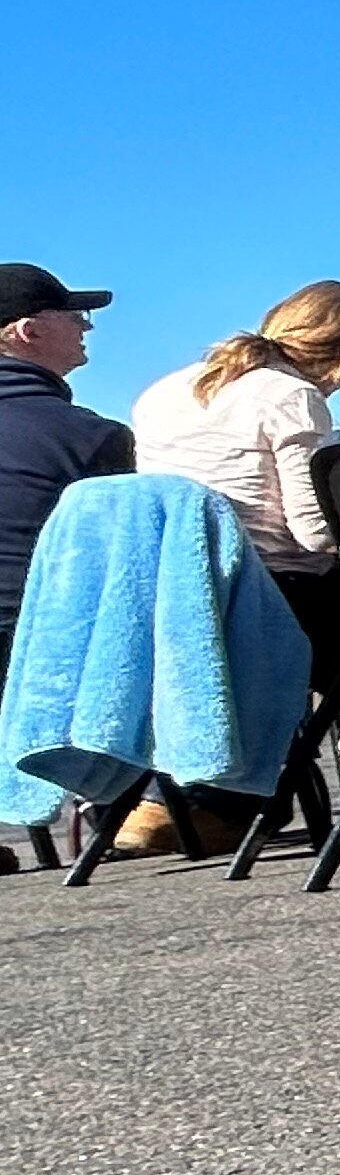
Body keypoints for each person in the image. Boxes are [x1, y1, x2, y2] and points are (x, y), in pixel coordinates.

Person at [127, 284, 340, 830]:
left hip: (179, 597)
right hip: (273, 597)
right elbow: (312, 533)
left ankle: (179, 805)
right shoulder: (290, 396)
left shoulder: (165, 391)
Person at [0, 265, 136, 836]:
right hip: (35, 645)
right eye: (74, 315)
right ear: (27, 332)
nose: (85, 326)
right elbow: (121, 567)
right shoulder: (90, 436)